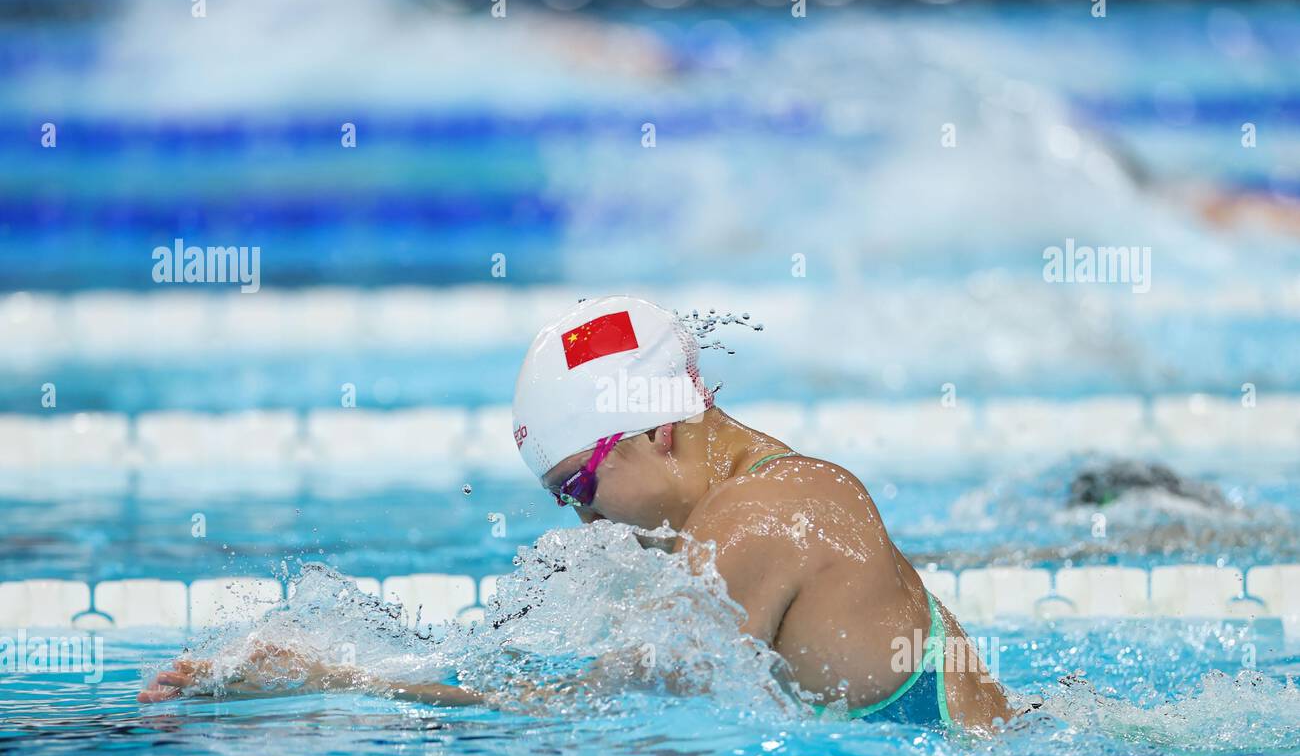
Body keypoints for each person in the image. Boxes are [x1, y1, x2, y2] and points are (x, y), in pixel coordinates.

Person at [142, 295, 1022, 732]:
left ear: (659, 431)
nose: (585, 528)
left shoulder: (757, 522)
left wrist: (335, 678)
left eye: (581, 488)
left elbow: (592, 704)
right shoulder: (776, 488)